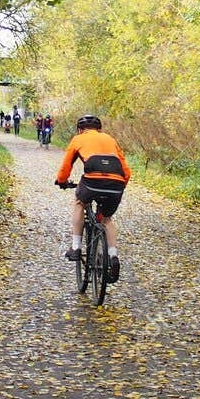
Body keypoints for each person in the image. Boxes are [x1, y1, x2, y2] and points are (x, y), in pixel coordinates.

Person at [54, 114, 130, 283]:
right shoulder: (110, 139)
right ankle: (112, 256)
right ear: (100, 129)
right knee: (107, 219)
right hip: (116, 184)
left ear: (80, 130)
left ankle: (75, 247)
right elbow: (126, 170)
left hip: (92, 183)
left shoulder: (78, 139)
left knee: (79, 202)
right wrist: (118, 186)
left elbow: (66, 166)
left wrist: (62, 181)